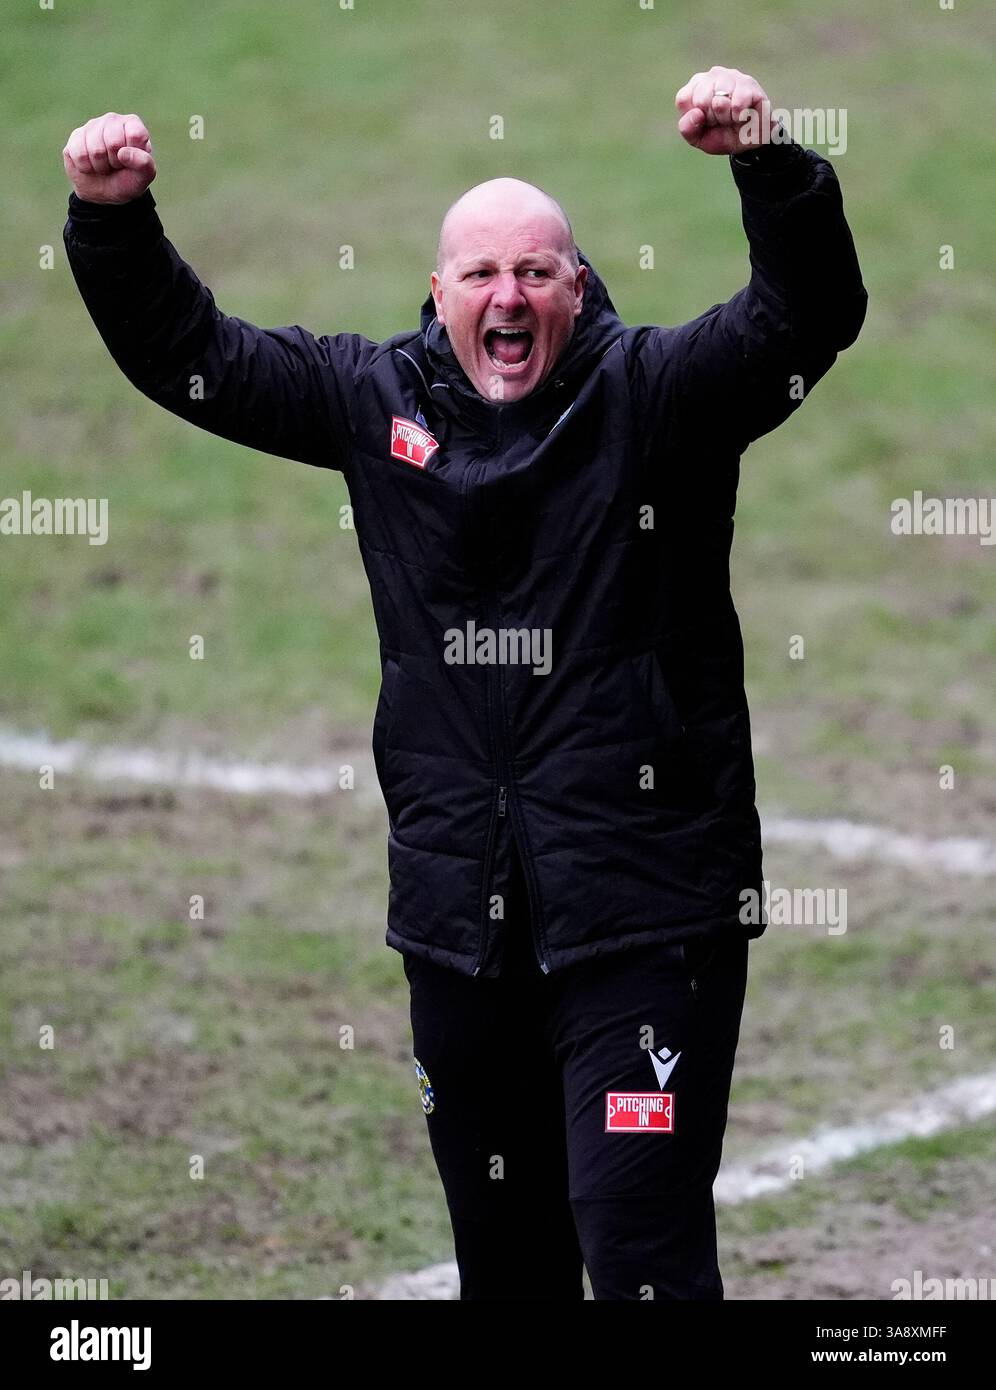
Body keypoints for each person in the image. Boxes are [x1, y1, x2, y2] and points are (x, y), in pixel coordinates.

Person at [62, 66, 867, 1300]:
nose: (508, 297)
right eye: (481, 274)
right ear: (436, 295)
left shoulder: (652, 398)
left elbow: (804, 315)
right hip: (460, 925)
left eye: (537, 273)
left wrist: (767, 162)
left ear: (577, 289)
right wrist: (114, 222)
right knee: (508, 1268)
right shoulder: (372, 399)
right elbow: (194, 357)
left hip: (646, 918)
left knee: (636, 1240)